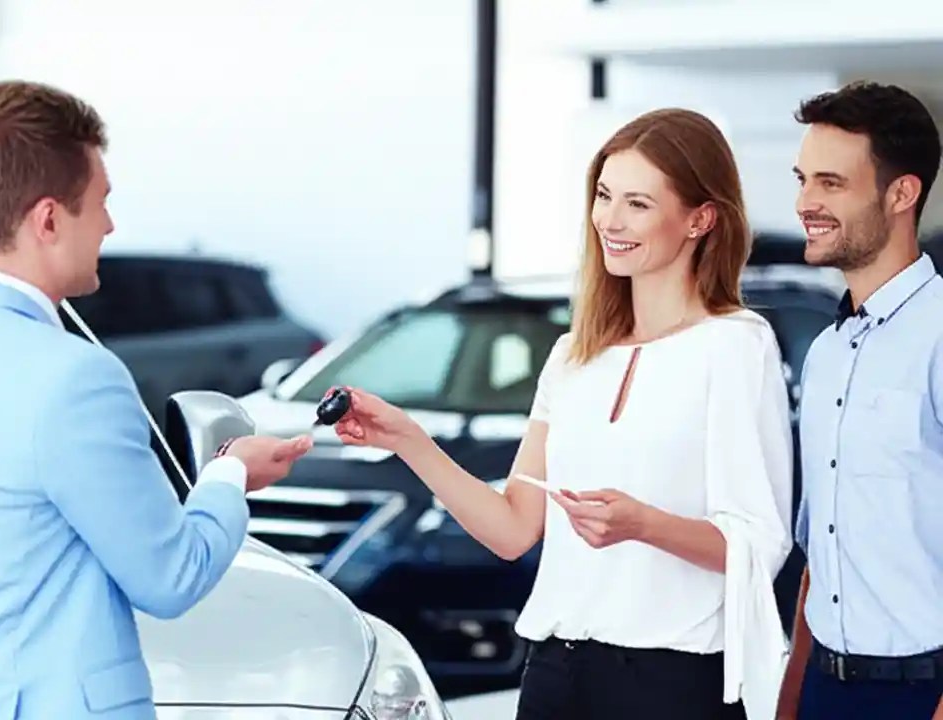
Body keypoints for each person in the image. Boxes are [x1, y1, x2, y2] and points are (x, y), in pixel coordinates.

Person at [0, 80, 312, 720]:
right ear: (47, 219)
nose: (110, 224)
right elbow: (171, 576)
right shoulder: (76, 377)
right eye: (100, 203)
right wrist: (230, 474)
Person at [331, 108, 794, 720]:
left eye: (638, 203)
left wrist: (643, 524)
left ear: (700, 219)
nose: (610, 220)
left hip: (672, 683)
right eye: (604, 195)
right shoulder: (573, 357)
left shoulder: (736, 345)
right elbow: (513, 529)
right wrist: (409, 440)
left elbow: (761, 546)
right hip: (555, 671)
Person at [775, 80, 943, 720]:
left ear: (902, 193)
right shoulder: (826, 354)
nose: (805, 203)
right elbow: (823, 553)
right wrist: (791, 703)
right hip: (825, 689)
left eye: (830, 183)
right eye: (802, 179)